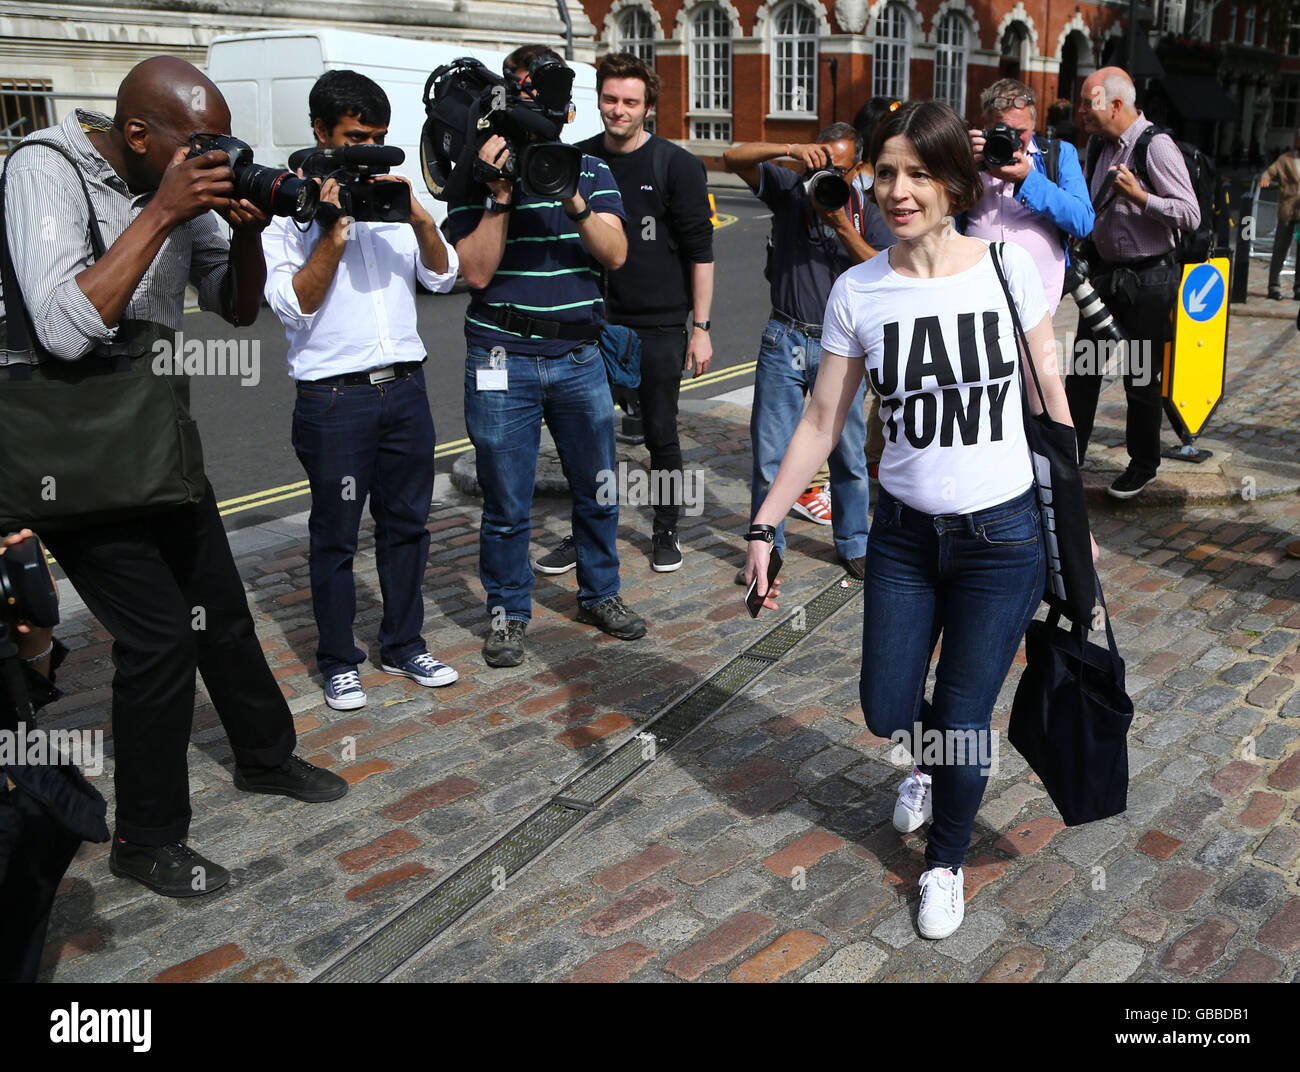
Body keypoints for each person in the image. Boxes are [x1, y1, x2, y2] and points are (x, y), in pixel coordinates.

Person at [743, 101, 1095, 941]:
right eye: (885, 172)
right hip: (903, 537)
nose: (898, 191)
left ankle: (944, 860)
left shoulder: (1008, 271)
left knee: (966, 715)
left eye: (919, 174)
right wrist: (764, 524)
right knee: (883, 702)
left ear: (955, 183)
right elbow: (823, 421)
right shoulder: (858, 289)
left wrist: (1072, 535)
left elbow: (1052, 401)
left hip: (1003, 537)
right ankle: (932, 760)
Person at [0, 57, 346, 897]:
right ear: (137, 134)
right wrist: (162, 211)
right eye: (197, 143)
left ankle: (265, 757)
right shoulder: (45, 169)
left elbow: (234, 306)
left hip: (153, 437)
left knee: (218, 608)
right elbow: (61, 327)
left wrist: (251, 228)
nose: (212, 158)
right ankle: (146, 839)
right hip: (76, 456)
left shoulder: (180, 181)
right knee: (156, 638)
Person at [262, 70, 460, 711]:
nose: (368, 151)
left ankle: (404, 644)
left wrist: (421, 217)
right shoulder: (289, 219)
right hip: (333, 400)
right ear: (321, 132)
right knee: (336, 535)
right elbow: (292, 307)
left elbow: (443, 275)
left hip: (405, 389)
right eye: (354, 138)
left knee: (408, 526)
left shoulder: (392, 201)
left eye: (378, 137)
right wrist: (333, 231)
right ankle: (338, 660)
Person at [444, 45, 647, 668]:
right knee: (507, 499)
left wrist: (569, 195)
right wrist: (501, 192)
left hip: (578, 357)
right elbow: (474, 271)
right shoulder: (473, 171)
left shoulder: (588, 170)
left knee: (598, 488)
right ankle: (507, 612)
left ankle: (600, 594)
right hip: (501, 353)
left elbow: (615, 255)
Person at [535, 51, 714, 576]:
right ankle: (586, 532)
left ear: (648, 107)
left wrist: (699, 328)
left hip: (658, 322)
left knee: (660, 433)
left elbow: (701, 252)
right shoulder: (579, 158)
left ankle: (666, 528)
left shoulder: (676, 165)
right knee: (587, 436)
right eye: (610, 99)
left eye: (629, 101)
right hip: (590, 322)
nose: (618, 109)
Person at [724, 123, 877, 582]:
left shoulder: (868, 208)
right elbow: (732, 158)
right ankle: (767, 547)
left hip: (842, 345)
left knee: (848, 453)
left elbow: (883, 267)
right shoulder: (790, 190)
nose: (831, 174)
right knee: (770, 453)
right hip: (784, 335)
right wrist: (790, 151)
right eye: (824, 162)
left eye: (841, 167)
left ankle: (854, 542)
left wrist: (841, 224)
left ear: (858, 169)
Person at [1064, 66, 1200, 500]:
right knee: (1083, 371)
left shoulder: (1156, 146)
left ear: (1116, 105)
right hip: (1105, 274)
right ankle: (1069, 457)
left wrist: (1142, 197)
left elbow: (1190, 213)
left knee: (1140, 377)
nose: (1081, 110)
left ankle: (1144, 465)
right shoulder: (1097, 147)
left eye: (1089, 101)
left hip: (1148, 277)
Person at [964, 78, 1094, 315]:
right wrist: (962, 165)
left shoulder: (1058, 155)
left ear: (1035, 124)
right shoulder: (971, 157)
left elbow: (1083, 222)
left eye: (1020, 132)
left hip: (1038, 302)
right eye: (1003, 130)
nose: (1013, 140)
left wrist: (1027, 180)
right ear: (986, 126)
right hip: (977, 297)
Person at [851, 96, 902, 481]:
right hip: (864, 304)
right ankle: (822, 479)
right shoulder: (849, 184)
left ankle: (875, 458)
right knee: (843, 400)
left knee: (888, 392)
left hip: (897, 305)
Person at [1259, 134, 1300, 301]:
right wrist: (1266, 177)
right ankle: (1274, 286)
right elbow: (1270, 170)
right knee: (1280, 248)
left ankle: (1298, 287)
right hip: (1288, 210)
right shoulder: (1286, 159)